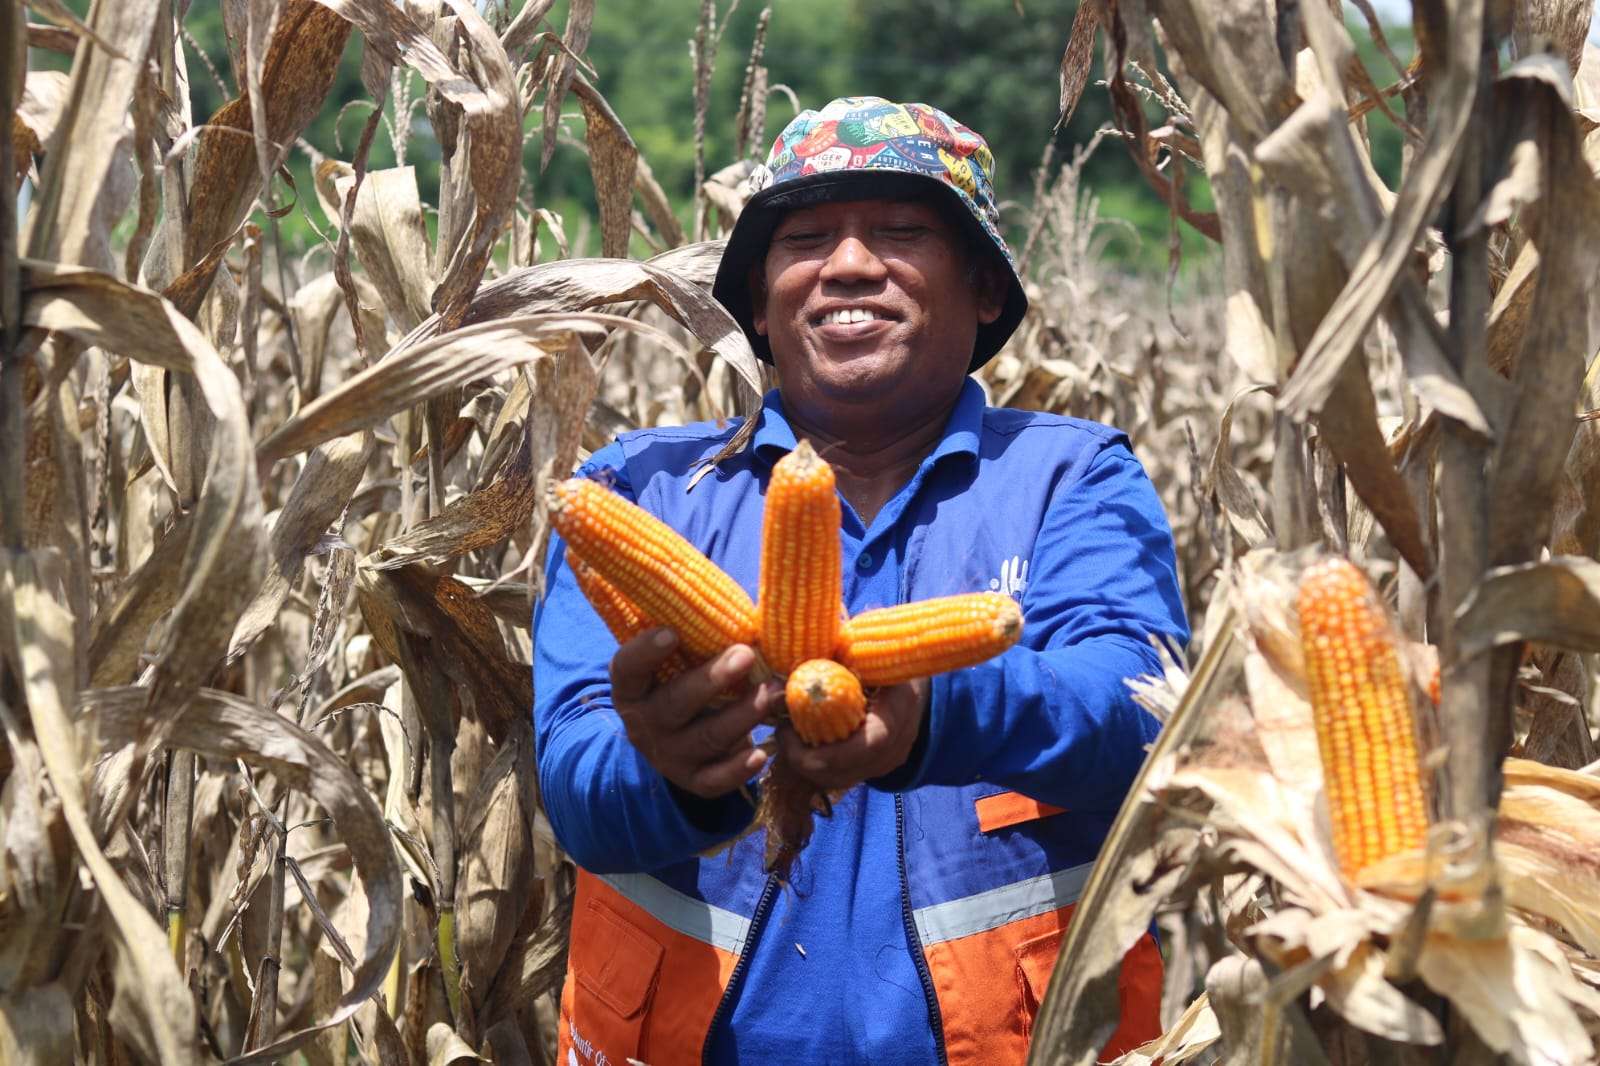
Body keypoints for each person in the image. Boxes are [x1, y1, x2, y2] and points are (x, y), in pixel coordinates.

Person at [534, 96, 1189, 1066]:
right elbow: (574, 782)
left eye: (899, 231)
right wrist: (667, 766)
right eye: (805, 237)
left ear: (985, 292)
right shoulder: (637, 492)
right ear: (758, 303)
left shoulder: (1070, 480)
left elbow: (1145, 716)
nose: (848, 262)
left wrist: (940, 713)